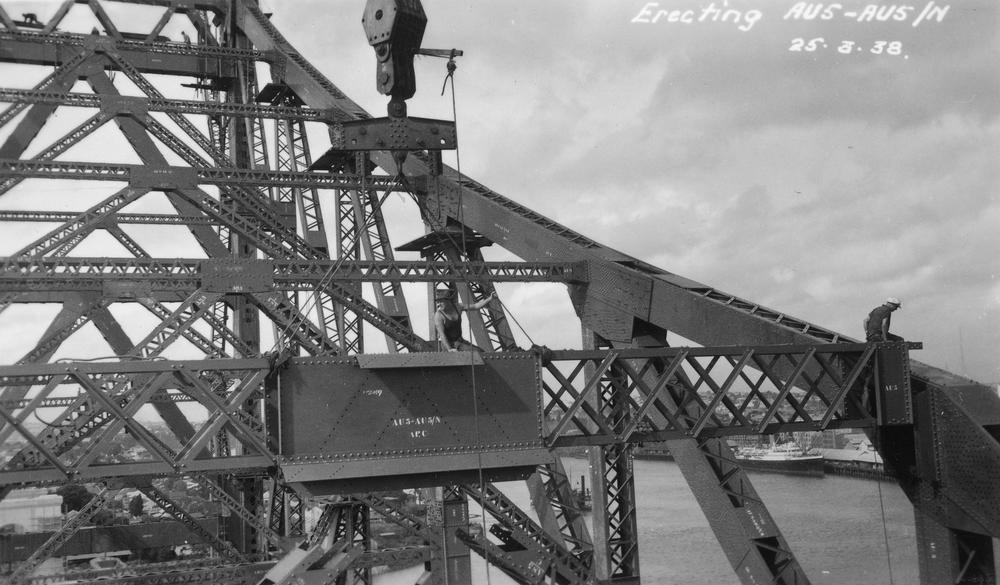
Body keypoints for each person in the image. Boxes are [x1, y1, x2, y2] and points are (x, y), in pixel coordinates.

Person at [433, 286, 496, 352]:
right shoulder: (439, 315)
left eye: (440, 302)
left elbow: (475, 306)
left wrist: (490, 298)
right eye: (437, 302)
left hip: (460, 341)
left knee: (481, 352)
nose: (438, 305)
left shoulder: (458, 307)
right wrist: (449, 349)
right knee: (478, 353)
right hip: (449, 344)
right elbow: (442, 335)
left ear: (448, 300)